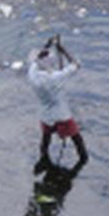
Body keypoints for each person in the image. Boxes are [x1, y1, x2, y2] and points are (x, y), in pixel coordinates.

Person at [27, 36, 88, 169]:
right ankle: (83, 161)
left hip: (46, 115)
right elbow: (76, 65)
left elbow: (37, 59)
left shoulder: (32, 74)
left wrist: (47, 45)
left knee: (45, 139)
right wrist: (63, 49)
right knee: (77, 140)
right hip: (62, 115)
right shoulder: (55, 77)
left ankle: (43, 159)